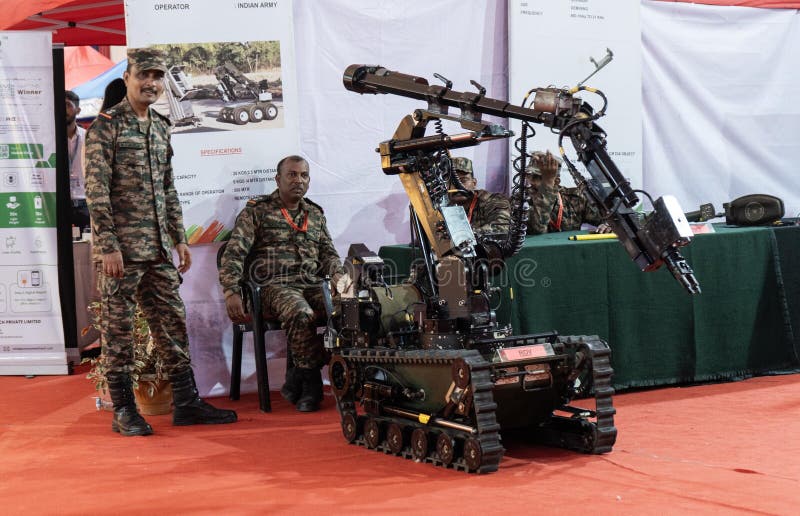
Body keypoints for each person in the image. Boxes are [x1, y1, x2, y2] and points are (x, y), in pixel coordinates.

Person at [85, 48, 237, 436]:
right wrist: (108, 247)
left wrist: (178, 238)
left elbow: (168, 187)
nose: (150, 83)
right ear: (129, 77)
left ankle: (186, 402)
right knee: (119, 331)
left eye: (157, 76)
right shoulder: (106, 126)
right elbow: (96, 192)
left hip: (157, 249)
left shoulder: (159, 125)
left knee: (171, 322)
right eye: (144, 76)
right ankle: (123, 409)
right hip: (122, 252)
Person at [219, 155, 345, 413]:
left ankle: (298, 377)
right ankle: (310, 388)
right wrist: (231, 290)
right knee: (301, 314)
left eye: (304, 175)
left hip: (311, 284)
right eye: (292, 174)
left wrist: (341, 279)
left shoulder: (315, 213)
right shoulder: (257, 211)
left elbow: (328, 255)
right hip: (272, 288)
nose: (298, 180)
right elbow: (234, 254)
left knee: (351, 309)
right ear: (278, 179)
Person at [525, 150, 611, 235]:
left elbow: (605, 218)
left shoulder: (574, 197)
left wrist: (607, 225)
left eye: (538, 177)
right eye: (529, 175)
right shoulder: (521, 201)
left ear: (556, 181)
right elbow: (537, 230)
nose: (531, 181)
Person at [449, 157, 511, 237]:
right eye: (452, 182)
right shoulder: (441, 208)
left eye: (463, 180)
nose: (458, 186)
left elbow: (502, 228)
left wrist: (465, 237)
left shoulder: (493, 201)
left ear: (474, 183)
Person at [65, 90, 90, 231]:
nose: (63, 109)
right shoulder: (50, 139)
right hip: (60, 203)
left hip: (84, 202)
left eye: (68, 105)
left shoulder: (88, 138)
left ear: (78, 110)